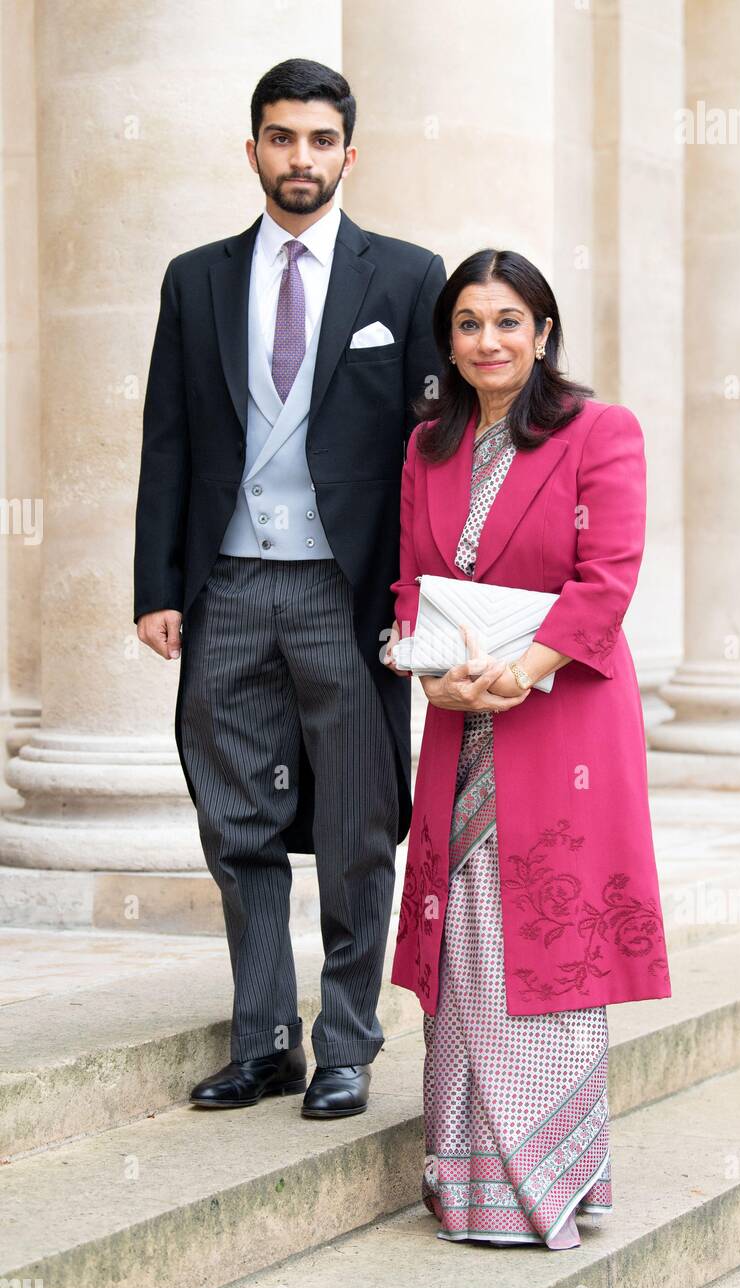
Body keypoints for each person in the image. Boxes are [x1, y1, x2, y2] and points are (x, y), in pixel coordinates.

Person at [133, 58, 445, 1119]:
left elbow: (426, 450)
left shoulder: (405, 277)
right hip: (225, 588)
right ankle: (262, 1040)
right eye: (280, 137)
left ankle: (347, 1044)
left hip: (342, 593)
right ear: (253, 146)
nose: (299, 157)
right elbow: (166, 442)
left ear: (347, 154)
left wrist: (420, 599)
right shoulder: (196, 277)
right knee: (237, 824)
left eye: (319, 141)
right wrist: (156, 584)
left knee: (358, 825)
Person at [384, 249, 671, 1246]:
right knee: (461, 930)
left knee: (541, 936)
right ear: (447, 340)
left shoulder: (599, 432)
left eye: (508, 321)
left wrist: (523, 670)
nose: (487, 340)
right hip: (457, 721)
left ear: (542, 334)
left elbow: (607, 576)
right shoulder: (426, 446)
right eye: (467, 323)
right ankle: (465, 1183)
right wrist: (429, 674)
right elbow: (411, 585)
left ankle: (546, 1185)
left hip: (561, 723)